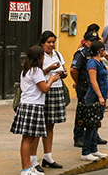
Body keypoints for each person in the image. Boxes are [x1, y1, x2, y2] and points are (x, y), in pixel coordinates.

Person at [11, 45, 64, 175]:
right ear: (40, 58)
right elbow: (44, 88)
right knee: (28, 139)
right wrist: (51, 79)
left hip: (30, 105)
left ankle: (29, 167)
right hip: (32, 106)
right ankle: (26, 168)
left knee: (30, 137)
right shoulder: (36, 71)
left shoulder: (28, 70)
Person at [36, 32, 68, 169]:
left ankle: (48, 157)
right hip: (44, 90)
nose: (51, 45)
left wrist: (62, 73)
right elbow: (35, 73)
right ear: (42, 43)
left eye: (53, 42)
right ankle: (32, 160)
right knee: (39, 126)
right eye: (49, 42)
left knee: (51, 124)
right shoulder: (39, 56)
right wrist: (49, 68)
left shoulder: (57, 55)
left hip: (57, 89)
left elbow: (65, 71)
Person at [69, 30, 104, 148]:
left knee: (95, 111)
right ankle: (78, 136)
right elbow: (73, 70)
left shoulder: (95, 53)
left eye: (96, 41)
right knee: (82, 112)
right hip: (84, 85)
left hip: (93, 86)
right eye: (92, 41)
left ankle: (94, 135)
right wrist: (77, 82)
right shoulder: (81, 54)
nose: (94, 43)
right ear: (86, 42)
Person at [77, 40, 108, 162]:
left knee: (96, 123)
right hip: (93, 97)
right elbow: (93, 81)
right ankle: (85, 151)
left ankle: (93, 148)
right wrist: (100, 96)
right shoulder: (92, 63)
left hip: (102, 96)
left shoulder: (100, 62)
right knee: (90, 125)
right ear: (99, 51)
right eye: (103, 50)